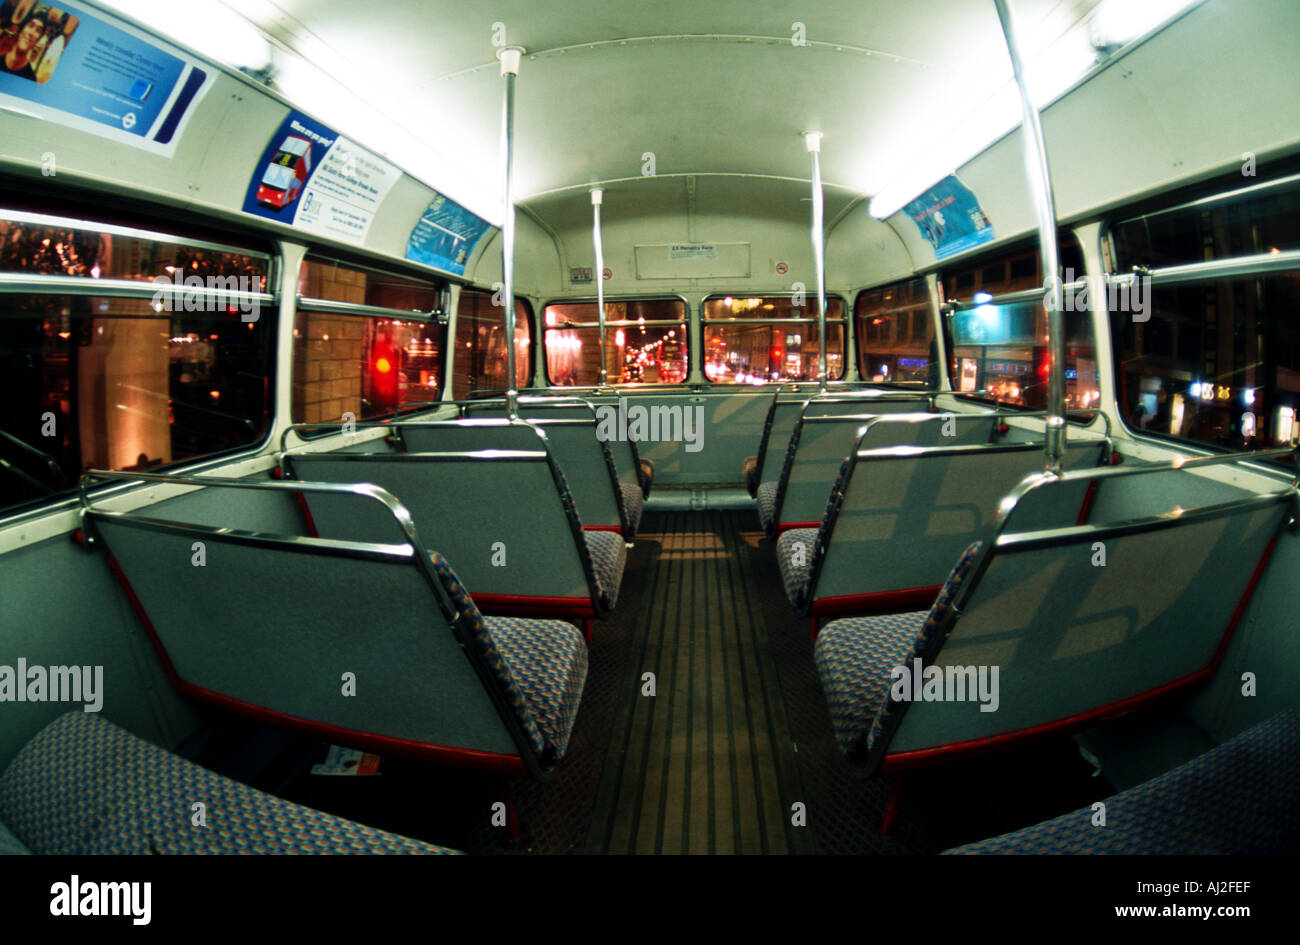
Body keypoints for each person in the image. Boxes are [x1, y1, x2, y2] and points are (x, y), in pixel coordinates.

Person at [2, 12, 44, 79]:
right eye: (30, 26)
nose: (31, 33)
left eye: (38, 30)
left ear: (36, 42)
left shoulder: (30, 78)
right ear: (20, 31)